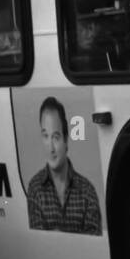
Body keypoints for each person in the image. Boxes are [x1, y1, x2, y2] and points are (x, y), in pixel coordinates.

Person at [26, 96, 102, 234]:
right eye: (45, 136)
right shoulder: (35, 188)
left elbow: (92, 247)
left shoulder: (87, 192)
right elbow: (38, 244)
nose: (51, 148)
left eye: (56, 137)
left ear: (66, 140)